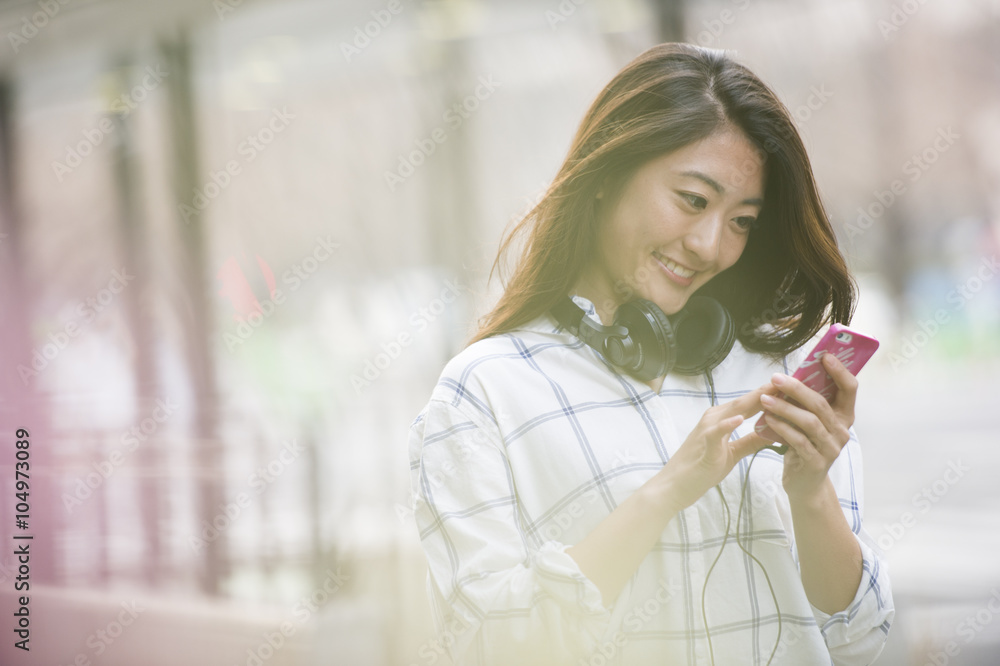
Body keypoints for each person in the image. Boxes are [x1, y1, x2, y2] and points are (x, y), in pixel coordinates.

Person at [407, 43, 893, 665]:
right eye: (693, 200)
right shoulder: (486, 392)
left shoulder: (776, 376)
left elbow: (861, 641)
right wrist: (664, 493)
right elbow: (488, 647)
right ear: (607, 176)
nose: (710, 245)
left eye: (742, 220)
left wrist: (813, 493)